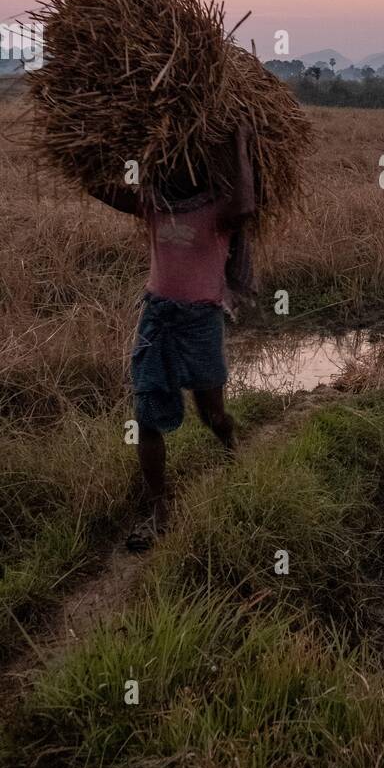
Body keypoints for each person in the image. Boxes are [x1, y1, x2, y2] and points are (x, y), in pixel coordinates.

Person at [89, 126, 256, 549]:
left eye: (181, 164)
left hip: (201, 320)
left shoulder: (219, 210)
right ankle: (159, 507)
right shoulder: (153, 204)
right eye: (166, 163)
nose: (172, 172)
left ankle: (232, 449)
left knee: (212, 414)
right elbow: (99, 187)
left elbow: (245, 204)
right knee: (147, 414)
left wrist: (239, 142)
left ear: (200, 171)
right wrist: (97, 137)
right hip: (157, 317)